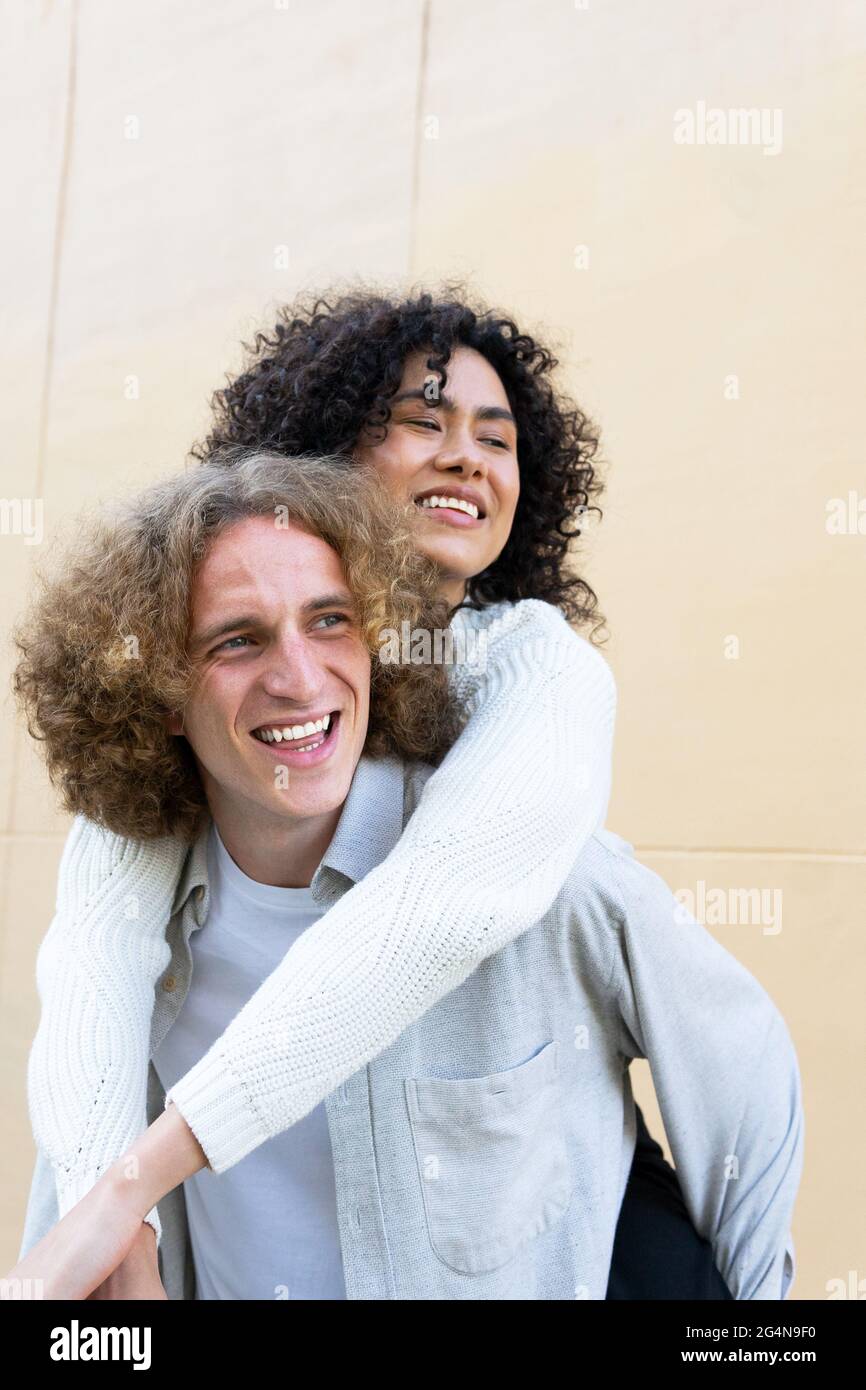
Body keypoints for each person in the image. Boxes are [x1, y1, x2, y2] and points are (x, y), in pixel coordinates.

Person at [14, 286, 721, 1297]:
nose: (469, 456)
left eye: (496, 436)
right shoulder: (214, 689)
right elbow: (93, 962)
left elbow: (421, 917)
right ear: (325, 451)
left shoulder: (536, 671)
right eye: (422, 423)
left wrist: (133, 1180)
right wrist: (99, 1225)